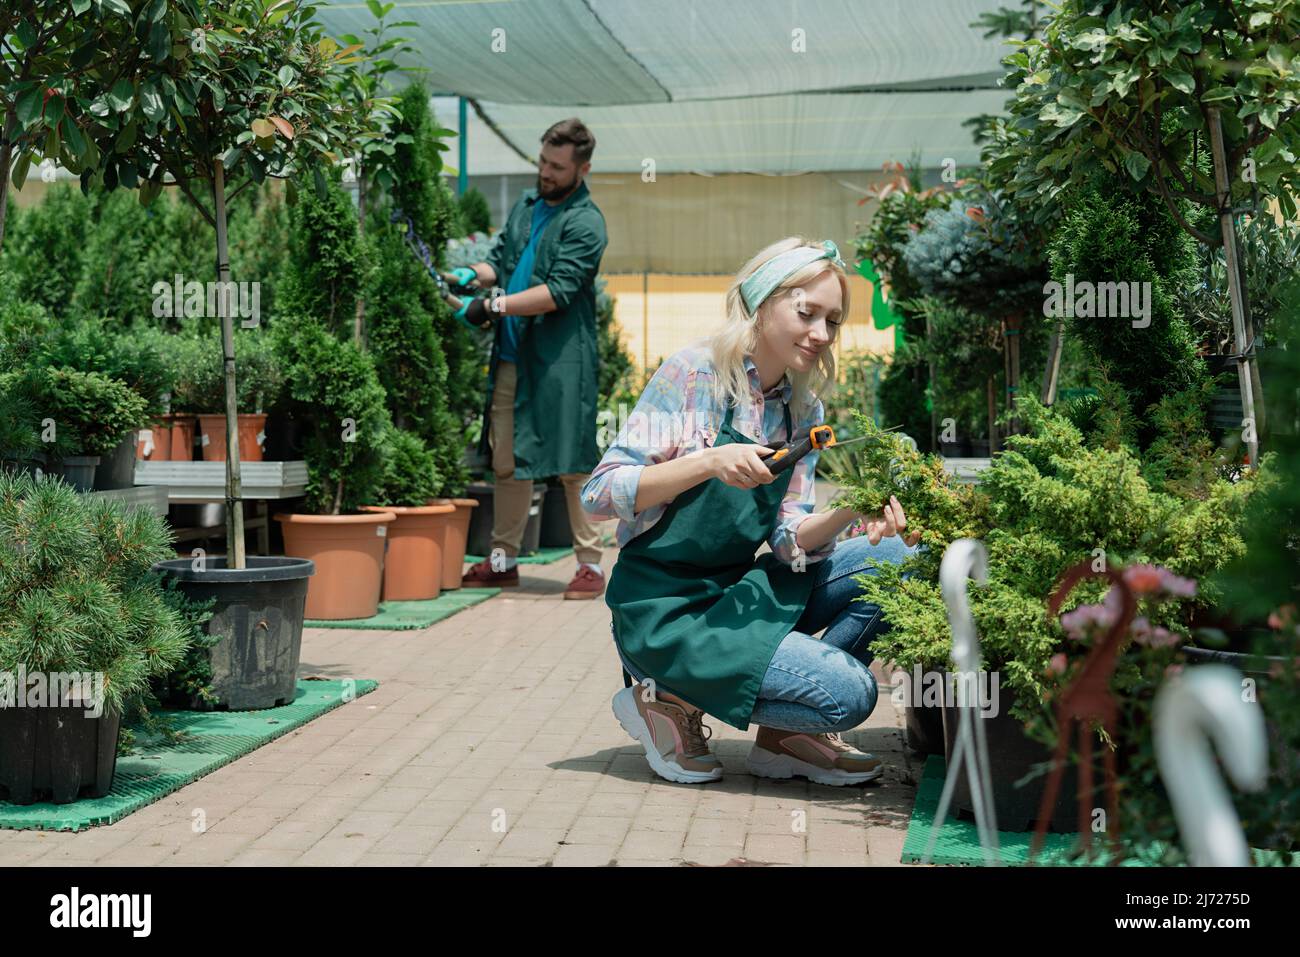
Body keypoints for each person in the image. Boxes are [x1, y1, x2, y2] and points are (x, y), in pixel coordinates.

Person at [580, 237, 920, 786]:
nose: (820, 333)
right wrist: (709, 462)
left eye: (832, 321)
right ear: (762, 303)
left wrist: (848, 510)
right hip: (664, 613)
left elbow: (789, 540)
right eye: (806, 313)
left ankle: (786, 736)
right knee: (853, 693)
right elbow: (597, 494)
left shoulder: (804, 407)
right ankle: (663, 696)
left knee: (904, 557)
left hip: (734, 596)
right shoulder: (692, 375)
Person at [447, 118, 609, 600]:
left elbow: (559, 291)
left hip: (561, 360)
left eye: (557, 166)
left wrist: (492, 305)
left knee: (572, 458)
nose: (545, 172)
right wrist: (468, 276)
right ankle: (503, 560)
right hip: (513, 354)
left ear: (582, 168)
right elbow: (501, 259)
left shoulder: (586, 223)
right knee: (506, 459)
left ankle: (590, 567)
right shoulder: (527, 205)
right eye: (542, 161)